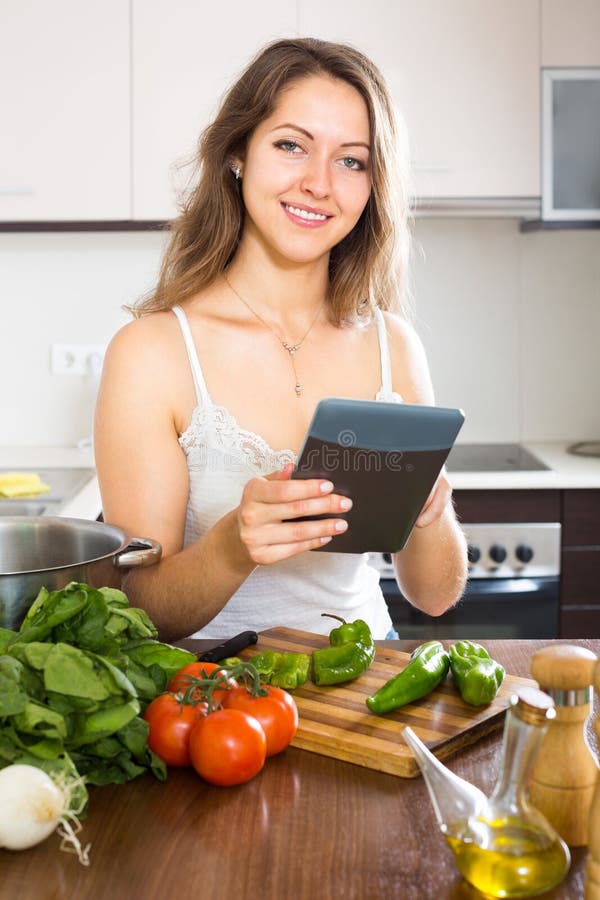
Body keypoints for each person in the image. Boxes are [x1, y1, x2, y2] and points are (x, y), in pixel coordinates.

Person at [94, 37, 468, 643]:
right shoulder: (152, 353)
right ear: (238, 153)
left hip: (361, 695)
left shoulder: (392, 347)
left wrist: (431, 513)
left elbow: (433, 595)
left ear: (373, 186)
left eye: (352, 160)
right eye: (291, 146)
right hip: (213, 709)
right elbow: (138, 610)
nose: (319, 184)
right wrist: (232, 547)